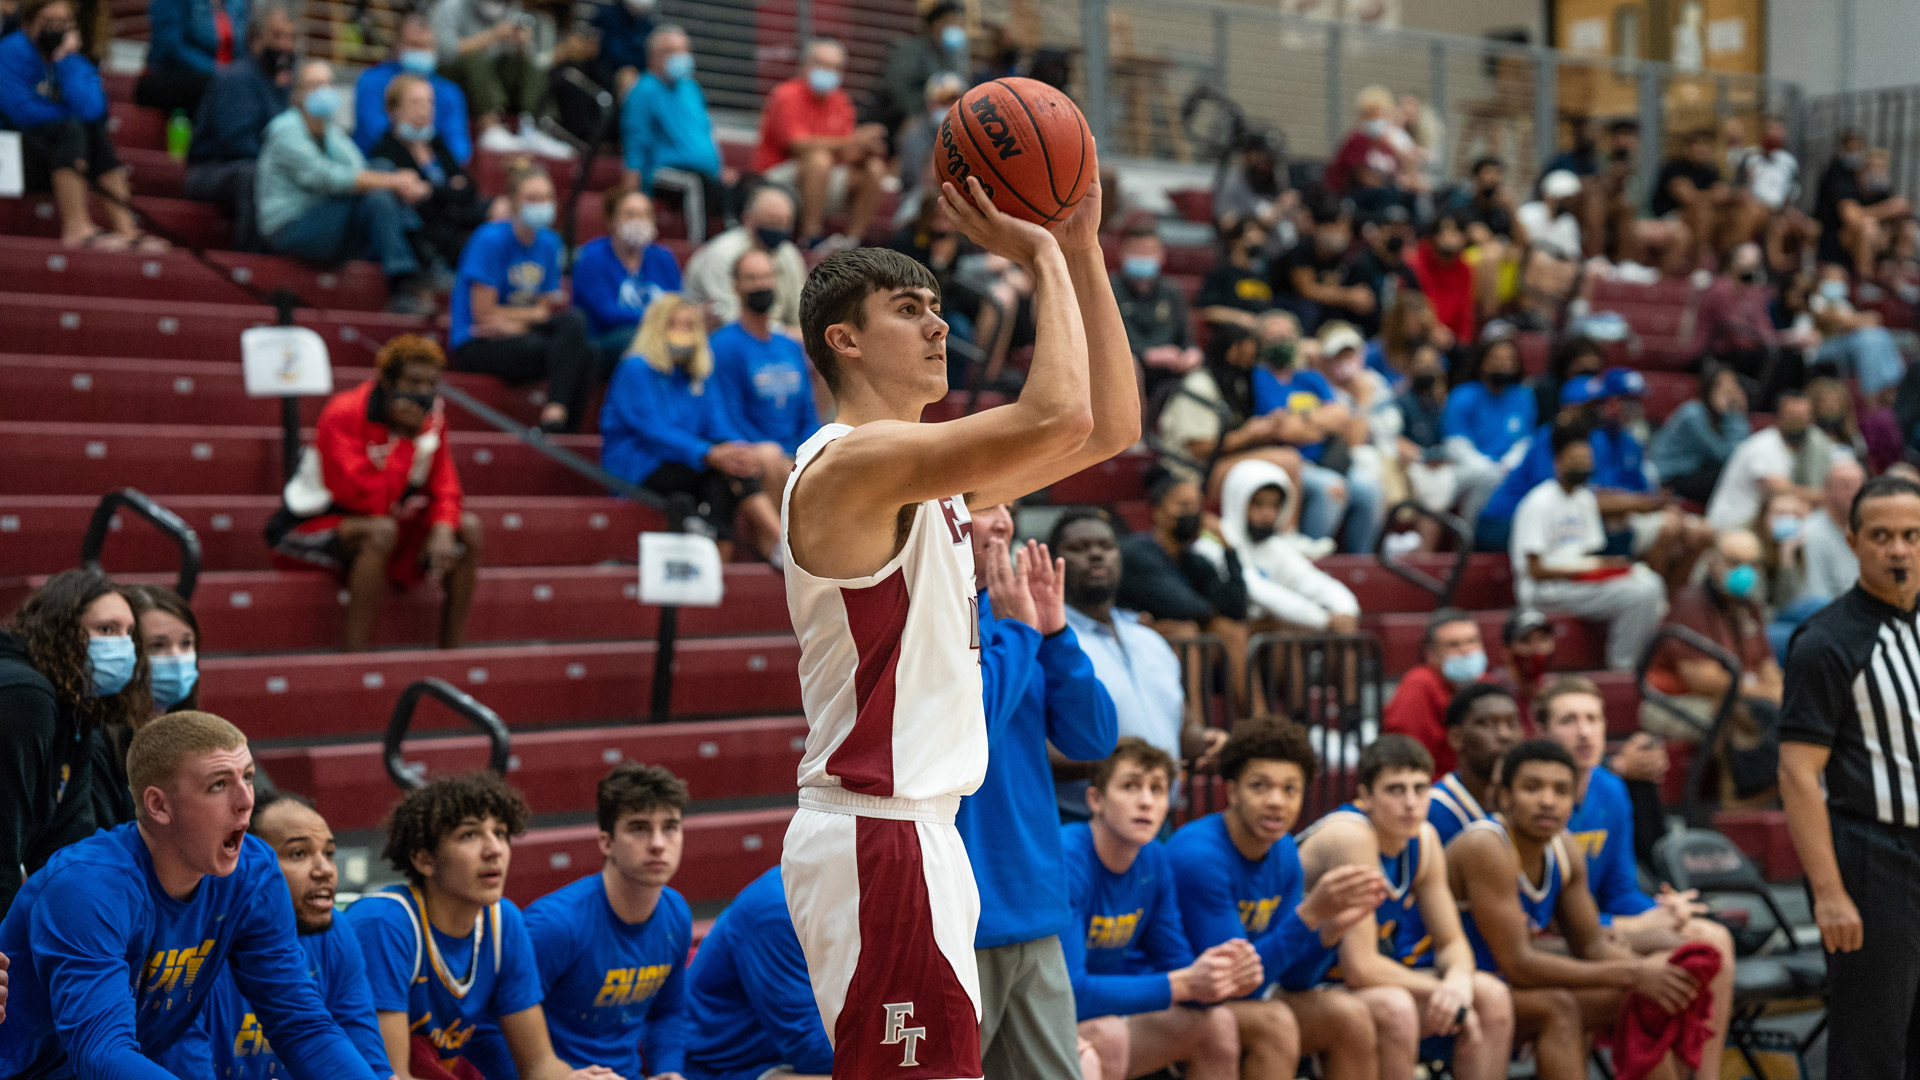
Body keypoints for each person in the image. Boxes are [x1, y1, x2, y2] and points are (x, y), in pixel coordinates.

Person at [776, 139, 1137, 1072]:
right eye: (909, 310)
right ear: (842, 340)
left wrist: (1085, 250)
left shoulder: (926, 481)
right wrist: (1042, 254)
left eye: (939, 307)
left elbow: (1109, 423)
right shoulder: (849, 463)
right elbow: (1055, 415)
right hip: (877, 834)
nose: (940, 326)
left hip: (922, 834)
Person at [0, 712, 383, 1080]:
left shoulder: (252, 871)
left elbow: (300, 1024)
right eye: (219, 784)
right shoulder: (88, 888)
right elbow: (101, 1056)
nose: (245, 800)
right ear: (158, 805)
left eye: (247, 777)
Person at [961, 510, 1118, 1080]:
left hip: (1034, 904)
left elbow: (1094, 737)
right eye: (985, 505)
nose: (1001, 522)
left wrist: (1054, 634)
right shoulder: (921, 614)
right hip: (962, 914)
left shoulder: (1016, 620)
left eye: (1009, 506)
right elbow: (967, 733)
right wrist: (1022, 633)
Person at [1446, 739, 1706, 1080]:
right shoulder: (1486, 846)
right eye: (1532, 787)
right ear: (1504, 796)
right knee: (1559, 1007)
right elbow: (1518, 964)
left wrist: (1652, 975)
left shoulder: (1565, 848)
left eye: (1560, 790)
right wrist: (1634, 972)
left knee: (1649, 998)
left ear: (1573, 801)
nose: (1547, 800)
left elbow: (1592, 944)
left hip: (1502, 985)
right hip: (1445, 986)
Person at [1778, 474, 1920, 1080]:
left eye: (1912, 535)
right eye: (1882, 536)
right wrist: (1830, 891)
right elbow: (1797, 773)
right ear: (1853, 540)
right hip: (1873, 857)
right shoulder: (1828, 641)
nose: (1898, 549)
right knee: (1872, 1043)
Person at [348, 772, 620, 1080]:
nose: (494, 850)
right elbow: (389, 1075)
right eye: (469, 835)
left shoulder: (503, 921)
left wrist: (575, 1079)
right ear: (425, 859)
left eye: (501, 833)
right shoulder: (385, 925)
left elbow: (539, 1065)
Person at [1167, 719, 1398, 1079]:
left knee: (1348, 1015)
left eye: (1290, 789)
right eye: (1260, 786)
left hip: (1240, 998)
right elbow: (1238, 984)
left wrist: (1332, 929)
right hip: (1182, 1003)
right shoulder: (1199, 856)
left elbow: (1295, 980)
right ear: (1232, 791)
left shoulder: (1285, 851)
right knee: (1274, 1022)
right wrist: (1310, 915)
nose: (1276, 802)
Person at [1537, 676, 1737, 1071]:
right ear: (1541, 731)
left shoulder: (1611, 790)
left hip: (1606, 925)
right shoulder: (1536, 802)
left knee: (1712, 939)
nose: (1584, 731)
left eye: (1593, 719)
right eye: (1569, 720)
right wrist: (1636, 923)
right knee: (1663, 970)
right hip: (1560, 937)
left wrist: (1665, 908)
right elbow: (1545, 918)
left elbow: (1621, 887)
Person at [1296, 735, 1517, 1080]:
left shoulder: (1423, 839)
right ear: (1365, 796)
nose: (1411, 803)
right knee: (1396, 1007)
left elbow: (1451, 943)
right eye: (1396, 790)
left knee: (1491, 995)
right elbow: (1362, 968)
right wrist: (1441, 990)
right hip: (1298, 985)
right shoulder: (1350, 835)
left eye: (1420, 788)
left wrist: (1458, 980)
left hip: (1349, 988)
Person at [268, 334, 483, 653]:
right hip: (311, 527)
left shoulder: (433, 419)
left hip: (382, 529)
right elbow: (367, 501)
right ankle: (355, 658)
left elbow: (447, 489)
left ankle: (452, 654)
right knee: (380, 531)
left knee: (467, 528)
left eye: (430, 384)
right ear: (387, 380)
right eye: (413, 382)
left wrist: (442, 529)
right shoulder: (344, 413)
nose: (422, 393)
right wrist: (407, 441)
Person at [1064, 739, 1261, 1080]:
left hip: (1108, 1013)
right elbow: (1070, 993)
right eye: (1130, 786)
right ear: (1096, 799)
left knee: (1219, 1024)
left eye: (1157, 789)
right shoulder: (1068, 858)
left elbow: (1178, 966)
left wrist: (1225, 980)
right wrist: (1186, 983)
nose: (1146, 801)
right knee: (1109, 1036)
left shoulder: (1153, 857)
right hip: (1046, 1019)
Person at [182, 792, 392, 1080]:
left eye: (329, 853)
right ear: (247, 864)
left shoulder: (336, 933)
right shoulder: (194, 947)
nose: (325, 870)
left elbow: (371, 1063)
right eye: (298, 854)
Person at [520, 763, 693, 1079]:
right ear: (606, 842)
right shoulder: (553, 926)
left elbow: (669, 1012)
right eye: (639, 828)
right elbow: (494, 1024)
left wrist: (669, 1071)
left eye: (670, 827)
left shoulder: (676, 912)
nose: (658, 843)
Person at [1051, 509, 1226, 819]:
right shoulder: (1048, 642)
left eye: (1106, 546)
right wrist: (1119, 761)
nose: (1095, 554)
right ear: (1052, 563)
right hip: (1080, 821)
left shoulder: (1149, 639)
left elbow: (1182, 726)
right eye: (1078, 548)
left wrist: (1205, 742)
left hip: (1157, 820)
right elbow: (1030, 747)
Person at [0, 568, 145, 918]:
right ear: (61, 630)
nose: (122, 646)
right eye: (106, 630)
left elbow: (69, 845)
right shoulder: (24, 695)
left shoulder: (75, 709)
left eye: (129, 633)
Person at [257, 60, 433, 315]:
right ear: (296, 94)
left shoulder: (331, 130)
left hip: (326, 222)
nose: (324, 90)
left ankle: (406, 273)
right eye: (315, 84)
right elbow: (326, 177)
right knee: (377, 188)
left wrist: (391, 180)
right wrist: (396, 181)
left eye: (328, 83)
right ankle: (408, 269)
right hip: (290, 228)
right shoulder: (285, 129)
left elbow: (361, 168)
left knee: (381, 168)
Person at [0, 0, 162, 250]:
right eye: (48, 22)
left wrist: (66, 61)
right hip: (21, 154)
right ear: (29, 22)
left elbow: (95, 110)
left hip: (61, 154)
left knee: (93, 132)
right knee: (71, 128)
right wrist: (64, 112)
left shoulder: (71, 59)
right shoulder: (9, 51)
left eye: (62, 23)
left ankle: (126, 229)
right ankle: (77, 228)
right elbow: (20, 112)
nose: (55, 29)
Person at [448, 165, 598, 432]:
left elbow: (544, 309)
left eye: (546, 198)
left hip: (518, 333)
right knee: (578, 353)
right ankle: (558, 428)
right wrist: (531, 318)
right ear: (513, 201)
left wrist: (520, 322)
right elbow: (483, 314)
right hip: (478, 341)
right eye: (532, 198)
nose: (541, 205)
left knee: (577, 325)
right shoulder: (490, 239)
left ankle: (557, 420)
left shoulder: (550, 243)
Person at [1509, 423, 1669, 671]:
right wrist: (1584, 570)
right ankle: (1623, 666)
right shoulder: (1537, 502)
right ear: (1558, 463)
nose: (1582, 466)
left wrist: (1605, 568)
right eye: (1574, 460)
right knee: (1639, 594)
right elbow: (1534, 570)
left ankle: (1639, 659)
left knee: (1651, 582)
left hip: (1579, 583)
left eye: (1586, 460)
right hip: (1544, 589)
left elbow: (1588, 553)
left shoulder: (1585, 498)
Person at [1642, 530, 1784, 804]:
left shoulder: (1748, 606)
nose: (1744, 571)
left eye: (1752, 564)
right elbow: (1704, 681)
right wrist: (1767, 694)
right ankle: (1738, 809)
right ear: (1713, 563)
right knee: (1737, 719)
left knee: (1782, 710)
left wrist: (1777, 695)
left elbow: (1768, 668)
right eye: (1734, 562)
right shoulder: (1690, 603)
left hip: (1737, 697)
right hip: (1670, 702)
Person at [682, 866, 831, 1080]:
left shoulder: (850, 893)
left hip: (780, 1053)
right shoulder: (778, 908)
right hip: (723, 1065)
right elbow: (809, 1047)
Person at [182, 0, 295, 252]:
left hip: (257, 165)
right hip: (212, 170)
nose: (285, 45)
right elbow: (238, 143)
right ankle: (251, 261)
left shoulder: (281, 84)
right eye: (277, 36)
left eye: (291, 38)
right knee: (255, 175)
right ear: (256, 38)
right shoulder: (237, 77)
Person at [755, 39, 887, 248]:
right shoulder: (786, 94)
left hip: (826, 179)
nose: (830, 72)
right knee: (819, 159)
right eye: (823, 65)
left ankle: (852, 241)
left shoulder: (841, 101)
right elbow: (797, 145)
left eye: (836, 67)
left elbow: (846, 151)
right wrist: (853, 139)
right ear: (806, 65)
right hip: (776, 179)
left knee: (875, 167)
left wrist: (866, 148)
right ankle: (811, 237)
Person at [364, 72, 490, 280]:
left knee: (500, 209)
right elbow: (418, 204)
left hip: (453, 221)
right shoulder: (385, 151)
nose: (425, 110)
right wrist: (448, 190)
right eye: (415, 103)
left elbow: (469, 189)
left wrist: (430, 190)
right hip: (426, 233)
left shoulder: (436, 143)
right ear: (393, 110)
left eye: (430, 103)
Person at [1210, 458, 1360, 633]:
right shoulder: (1216, 541)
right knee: (1282, 630)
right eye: (1258, 504)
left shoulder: (1276, 546)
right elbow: (1256, 590)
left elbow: (1314, 582)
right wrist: (1323, 620)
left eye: (1274, 505)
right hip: (1228, 631)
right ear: (1238, 500)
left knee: (1334, 633)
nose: (1268, 514)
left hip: (1270, 630)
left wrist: (1345, 610)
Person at [710, 249, 821, 465]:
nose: (761, 285)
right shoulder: (722, 345)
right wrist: (774, 455)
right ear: (736, 286)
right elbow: (729, 417)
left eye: (767, 277)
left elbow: (807, 413)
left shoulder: (789, 346)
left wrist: (810, 451)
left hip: (796, 455)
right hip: (756, 456)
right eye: (751, 278)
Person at [429, 0, 562, 157]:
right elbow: (444, 50)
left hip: (492, 76)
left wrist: (521, 45)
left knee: (526, 64)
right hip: (452, 74)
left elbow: (523, 57)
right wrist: (493, 35)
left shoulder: (512, 8)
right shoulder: (452, 6)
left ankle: (537, 129)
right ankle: (490, 127)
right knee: (475, 60)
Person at [573, 186, 685, 367]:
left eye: (646, 215)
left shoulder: (663, 257)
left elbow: (677, 303)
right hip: (606, 341)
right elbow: (607, 313)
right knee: (636, 339)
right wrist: (656, 317)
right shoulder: (591, 258)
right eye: (630, 215)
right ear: (611, 221)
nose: (639, 221)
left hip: (658, 334)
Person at [619, 25, 723, 212]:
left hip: (706, 173)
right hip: (666, 172)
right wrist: (631, 195)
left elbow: (707, 132)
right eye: (671, 51)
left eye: (683, 50)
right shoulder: (644, 90)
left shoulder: (692, 88)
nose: (679, 56)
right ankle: (697, 242)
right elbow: (636, 142)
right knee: (696, 185)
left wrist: (720, 171)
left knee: (741, 190)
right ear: (652, 56)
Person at [353, 13, 473, 165]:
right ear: (397, 45)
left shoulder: (450, 92)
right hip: (381, 165)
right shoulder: (372, 81)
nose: (420, 51)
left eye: (425, 46)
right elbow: (373, 133)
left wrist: (432, 167)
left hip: (432, 168)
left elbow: (459, 148)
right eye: (413, 45)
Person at [1444, 330, 1535, 524]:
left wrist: (1507, 466)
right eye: (1496, 359)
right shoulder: (1463, 394)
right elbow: (1456, 445)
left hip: (1506, 468)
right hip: (1465, 469)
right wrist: (1491, 468)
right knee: (1488, 478)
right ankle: (1470, 535)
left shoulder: (1523, 396)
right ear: (1482, 362)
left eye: (1508, 360)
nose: (1502, 364)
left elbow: (1524, 442)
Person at [684, 185, 807, 328]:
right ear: (747, 218)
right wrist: (786, 335)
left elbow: (799, 314)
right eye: (772, 221)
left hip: (774, 336)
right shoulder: (722, 254)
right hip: (719, 337)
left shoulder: (788, 253)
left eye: (785, 223)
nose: (779, 228)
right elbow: (731, 319)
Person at [1384, 608, 1489, 775]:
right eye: (1453, 645)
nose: (1466, 651)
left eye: (1472, 641)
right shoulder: (1419, 684)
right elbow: (1409, 757)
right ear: (1431, 654)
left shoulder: (1486, 683)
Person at [1705, 392, 1830, 532]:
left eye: (1802, 417)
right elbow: (1779, 491)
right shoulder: (1763, 446)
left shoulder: (1807, 448)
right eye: (1792, 416)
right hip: (1733, 523)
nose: (1797, 423)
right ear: (1779, 417)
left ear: (1811, 420)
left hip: (1761, 522)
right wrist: (1828, 498)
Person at [1425, 683, 1524, 846]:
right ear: (1456, 737)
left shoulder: (1531, 804)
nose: (1504, 735)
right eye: (1487, 724)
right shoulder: (1431, 810)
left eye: (1512, 724)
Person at [1112, 222, 1200, 394]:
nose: (1143, 256)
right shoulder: (1108, 288)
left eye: (1149, 251)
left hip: (1171, 371)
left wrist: (1192, 354)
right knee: (1130, 365)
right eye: (1137, 250)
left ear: (1161, 255)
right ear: (1122, 253)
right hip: (1128, 366)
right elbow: (1103, 342)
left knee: (1199, 381)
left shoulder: (1172, 291)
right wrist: (1147, 354)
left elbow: (1187, 341)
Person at [1816, 130, 1912, 277]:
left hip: (1880, 238)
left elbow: (1904, 209)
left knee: (1908, 229)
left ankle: (1902, 278)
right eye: (1874, 167)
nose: (1877, 172)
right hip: (1840, 241)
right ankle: (1865, 279)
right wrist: (1889, 209)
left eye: (1881, 168)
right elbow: (1851, 216)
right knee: (1868, 227)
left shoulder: (1883, 190)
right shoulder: (1843, 181)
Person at [1274, 193, 1374, 334]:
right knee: (1310, 308)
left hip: (1317, 305)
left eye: (1345, 227)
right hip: (1286, 301)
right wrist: (1350, 296)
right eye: (1337, 226)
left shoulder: (1337, 255)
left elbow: (1331, 287)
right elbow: (1307, 290)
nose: (1343, 232)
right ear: (1320, 227)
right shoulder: (1303, 249)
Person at [1809, 262, 1909, 403]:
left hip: (1846, 345)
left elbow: (1874, 319)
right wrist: (1857, 321)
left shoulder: (1843, 303)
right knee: (1867, 340)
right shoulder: (1816, 301)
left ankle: (1893, 386)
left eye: (1840, 280)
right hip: (1823, 348)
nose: (1837, 283)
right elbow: (1840, 322)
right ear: (1820, 282)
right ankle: (1871, 397)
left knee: (1880, 334)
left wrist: (1854, 322)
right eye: (1832, 280)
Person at [1650, 365, 1749, 505]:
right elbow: (1726, 455)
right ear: (1708, 388)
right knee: (1729, 476)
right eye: (1722, 388)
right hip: (1671, 476)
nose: (1729, 393)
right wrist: (1736, 414)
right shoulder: (1693, 413)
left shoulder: (1721, 417)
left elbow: (1742, 452)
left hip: (1696, 470)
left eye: (1733, 388)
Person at [135, 0, 246, 115]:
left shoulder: (235, 3)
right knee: (222, 88)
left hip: (222, 75)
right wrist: (220, 72)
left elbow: (242, 46)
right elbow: (171, 47)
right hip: (173, 75)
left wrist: (237, 73)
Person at [880, 0, 969, 133]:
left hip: (943, 123)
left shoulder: (955, 54)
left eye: (958, 23)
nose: (954, 27)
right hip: (910, 120)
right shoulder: (911, 50)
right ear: (934, 24)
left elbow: (958, 89)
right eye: (948, 22)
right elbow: (899, 91)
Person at [1798, 456, 1864, 608]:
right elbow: (1817, 598)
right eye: (1845, 485)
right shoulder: (1810, 532)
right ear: (1826, 490)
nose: (1853, 493)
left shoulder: (1870, 531)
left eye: (1857, 486)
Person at [1195, 217, 1277, 329]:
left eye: (1261, 232)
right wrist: (1241, 318)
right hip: (1234, 333)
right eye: (1252, 231)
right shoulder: (1221, 273)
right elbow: (1204, 310)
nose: (1259, 237)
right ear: (1235, 240)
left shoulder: (1263, 275)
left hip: (1263, 332)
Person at [1408, 213, 1476, 344]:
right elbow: (1415, 305)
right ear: (1434, 235)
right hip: (1421, 334)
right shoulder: (1415, 263)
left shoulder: (1465, 269)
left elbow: (1465, 310)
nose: (1451, 236)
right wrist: (1433, 328)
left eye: (1456, 231)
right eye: (1446, 230)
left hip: (1451, 340)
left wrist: (1463, 342)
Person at [1492, 608, 1555, 726]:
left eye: (1543, 639)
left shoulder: (1555, 693)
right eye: (1525, 640)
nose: (1536, 649)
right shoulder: (1493, 693)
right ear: (1506, 651)